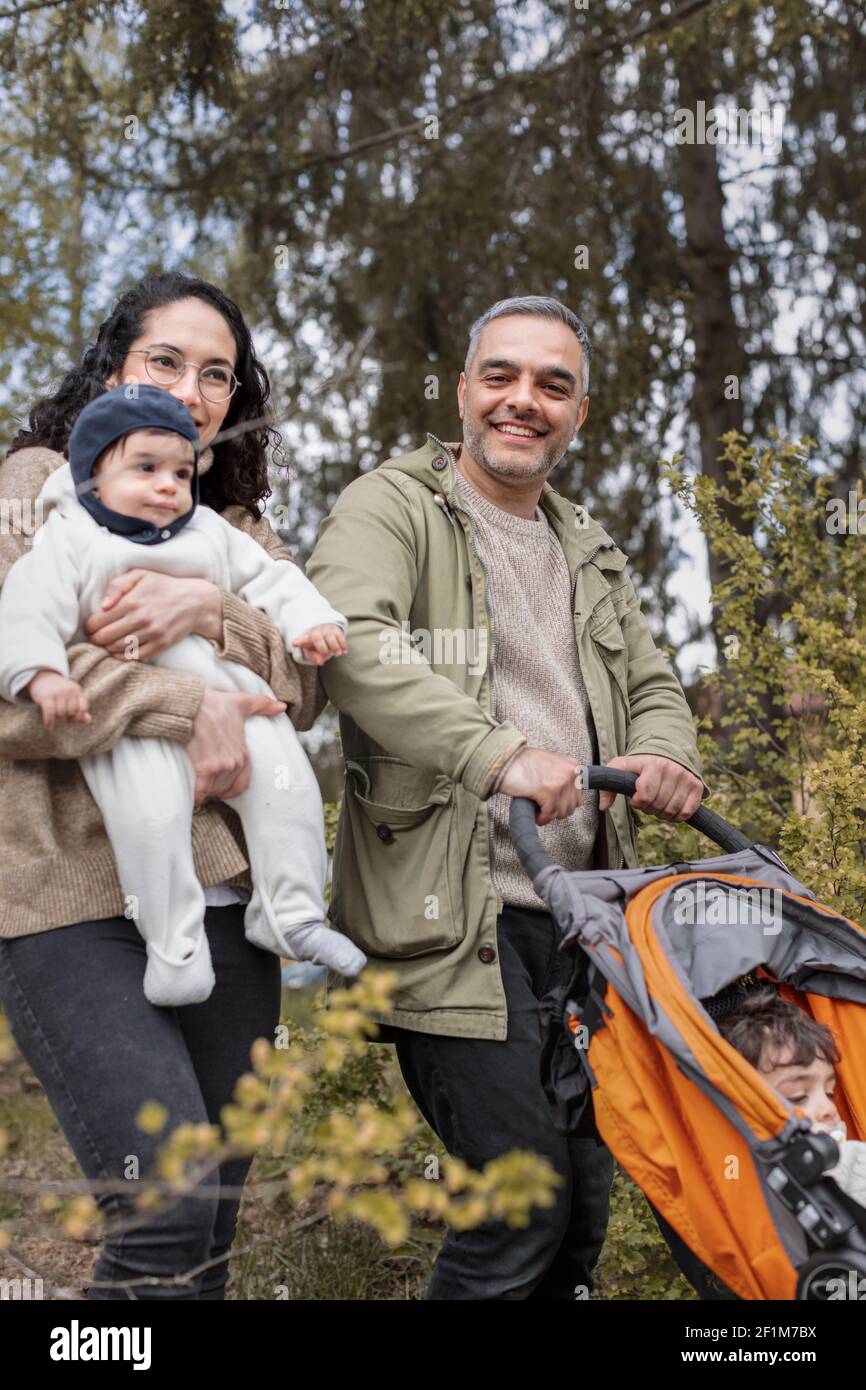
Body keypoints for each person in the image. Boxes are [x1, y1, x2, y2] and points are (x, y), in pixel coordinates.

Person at [305, 294, 707, 1300]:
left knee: (576, 1219)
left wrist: (659, 752)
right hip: (454, 924)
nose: (522, 401)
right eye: (502, 376)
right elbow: (354, 641)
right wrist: (494, 754)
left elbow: (654, 684)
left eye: (551, 385)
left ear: (575, 412)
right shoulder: (390, 505)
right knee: (516, 1209)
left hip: (581, 928)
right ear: (463, 391)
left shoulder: (587, 544)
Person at [0, 270, 330, 1299]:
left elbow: (308, 684)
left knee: (213, 1227)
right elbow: (13, 696)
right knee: (166, 1204)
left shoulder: (229, 522)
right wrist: (196, 707)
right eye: (165, 362)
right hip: (66, 894)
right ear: (111, 370)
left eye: (217, 375)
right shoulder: (34, 487)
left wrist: (204, 611)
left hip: (225, 899)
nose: (192, 390)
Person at [0, 385, 365, 1005]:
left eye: (180, 472)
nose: (169, 486)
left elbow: (273, 578)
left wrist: (311, 624)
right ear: (90, 477)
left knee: (289, 791)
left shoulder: (209, 532)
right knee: (151, 818)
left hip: (242, 701)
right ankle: (176, 950)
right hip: (137, 726)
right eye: (146, 469)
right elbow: (28, 610)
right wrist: (43, 675)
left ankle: (292, 914)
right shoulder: (68, 537)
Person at [718, 987, 866, 1208]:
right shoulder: (734, 1169)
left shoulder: (851, 1159)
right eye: (798, 1097)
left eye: (830, 1093)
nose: (829, 1109)